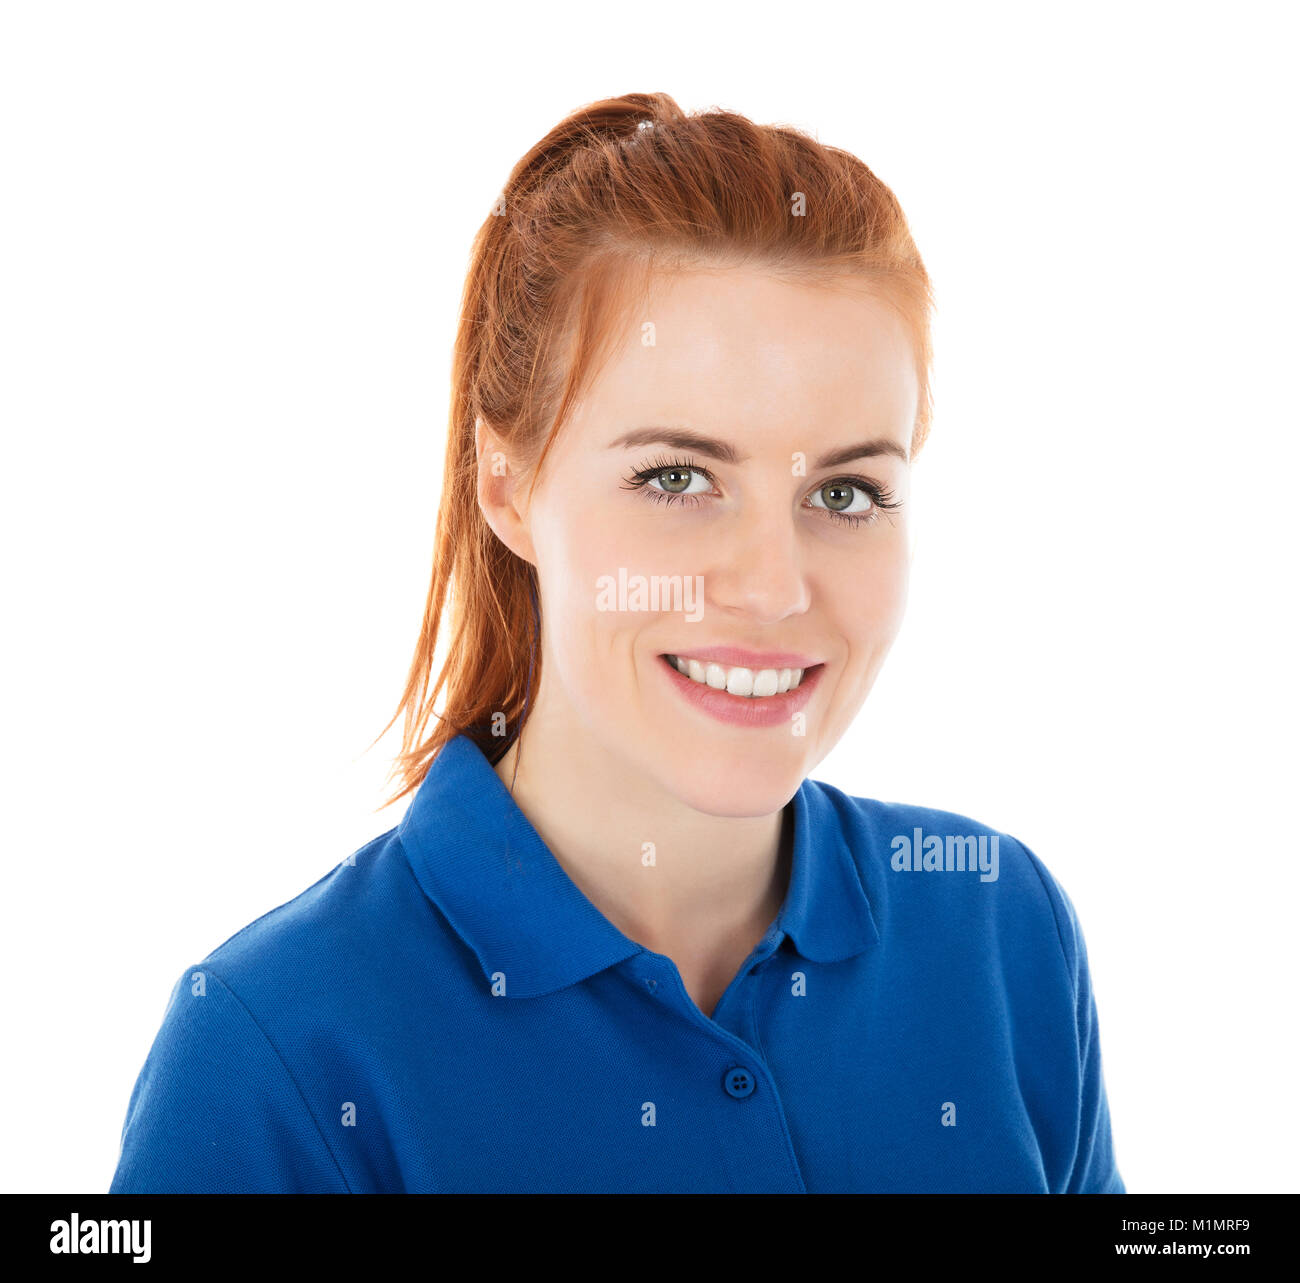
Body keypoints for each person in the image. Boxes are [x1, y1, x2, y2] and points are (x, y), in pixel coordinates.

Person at [109, 92, 1123, 1193]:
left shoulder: (998, 928)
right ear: (506, 484)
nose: (774, 588)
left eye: (846, 488)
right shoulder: (273, 1053)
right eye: (677, 478)